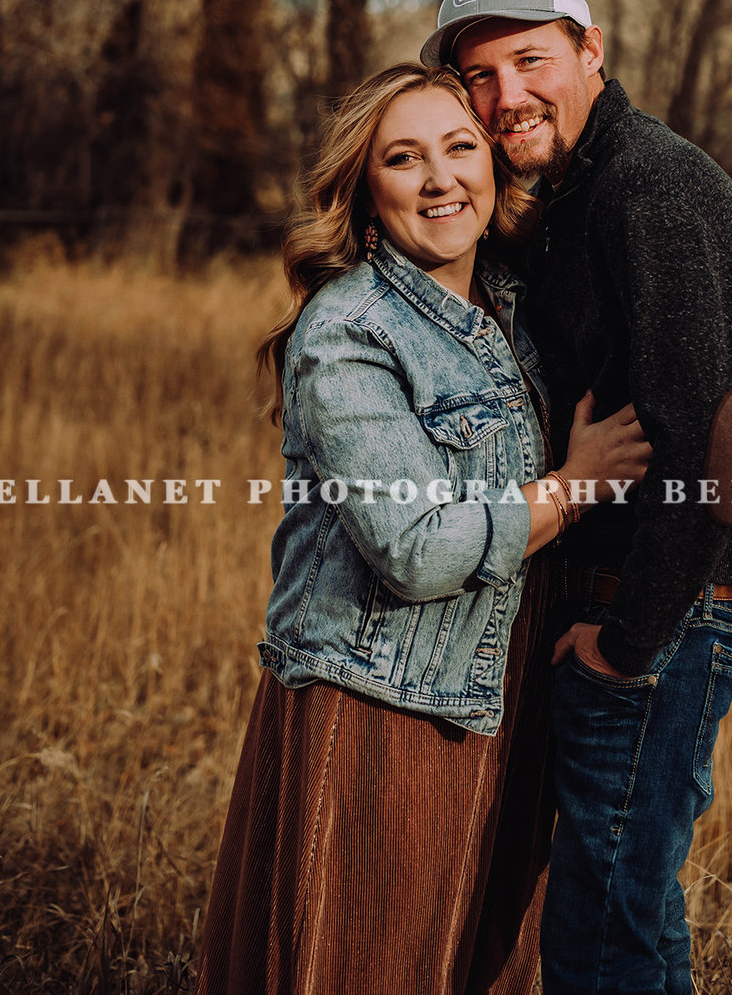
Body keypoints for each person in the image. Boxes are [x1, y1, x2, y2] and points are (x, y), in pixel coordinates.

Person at [196, 62, 651, 995]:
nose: (440, 178)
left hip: (498, 692)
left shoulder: (514, 307)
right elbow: (416, 548)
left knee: (475, 965)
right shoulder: (348, 332)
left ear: (493, 163)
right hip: (381, 710)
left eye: (458, 147)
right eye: (405, 159)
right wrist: (571, 488)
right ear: (367, 195)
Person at [421, 0, 732, 995]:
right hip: (641, 598)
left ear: (590, 51)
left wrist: (625, 642)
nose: (504, 98)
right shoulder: (581, 189)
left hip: (662, 606)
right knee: (621, 902)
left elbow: (721, 449)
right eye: (477, 76)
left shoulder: (649, 188)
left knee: (598, 929)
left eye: (529, 59)